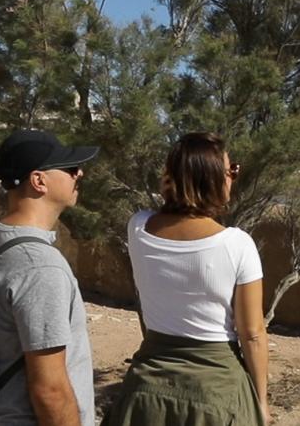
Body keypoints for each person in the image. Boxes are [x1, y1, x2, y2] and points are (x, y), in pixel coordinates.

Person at [105, 132, 270, 426]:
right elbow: (253, 333)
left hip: (147, 388)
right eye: (231, 170)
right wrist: (261, 402)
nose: (233, 177)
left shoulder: (139, 226)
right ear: (212, 179)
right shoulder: (236, 244)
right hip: (215, 391)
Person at [0, 129, 99, 425]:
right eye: (69, 169)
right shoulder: (39, 267)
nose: (80, 173)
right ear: (39, 181)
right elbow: (49, 389)